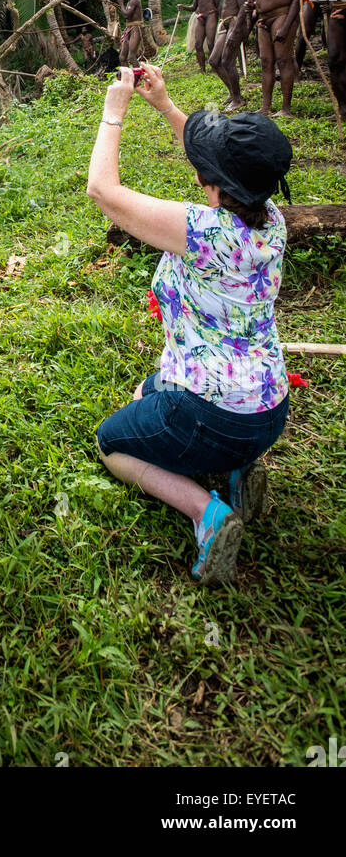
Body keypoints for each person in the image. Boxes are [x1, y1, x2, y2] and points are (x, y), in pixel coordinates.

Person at [86, 65, 293, 585]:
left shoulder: (202, 231)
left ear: (214, 183)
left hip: (215, 411)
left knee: (113, 443)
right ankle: (239, 470)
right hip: (270, 407)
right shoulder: (271, 218)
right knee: (143, 392)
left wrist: (116, 111)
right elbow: (223, 166)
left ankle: (207, 511)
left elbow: (103, 191)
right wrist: (165, 106)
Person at [249, 0, 304, 116]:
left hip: (282, 16)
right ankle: (266, 106)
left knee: (283, 60)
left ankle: (285, 108)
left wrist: (286, 26)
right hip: (263, 20)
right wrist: (254, 7)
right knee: (266, 62)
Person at [208, 0, 248, 110]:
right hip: (225, 24)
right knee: (214, 61)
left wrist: (236, 30)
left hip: (234, 23)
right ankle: (233, 93)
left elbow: (243, 8)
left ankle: (238, 99)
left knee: (227, 61)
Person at [177, 0, 220, 72]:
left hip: (211, 15)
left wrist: (220, 18)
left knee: (210, 43)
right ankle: (202, 69)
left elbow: (218, 5)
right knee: (198, 44)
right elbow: (194, 7)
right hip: (200, 17)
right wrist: (184, 7)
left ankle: (215, 67)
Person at [118, 0, 143, 68]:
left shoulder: (134, 0)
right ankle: (129, 77)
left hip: (135, 28)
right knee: (122, 57)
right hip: (129, 28)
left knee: (131, 56)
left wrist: (121, 4)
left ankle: (138, 78)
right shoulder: (130, 1)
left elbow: (126, 15)